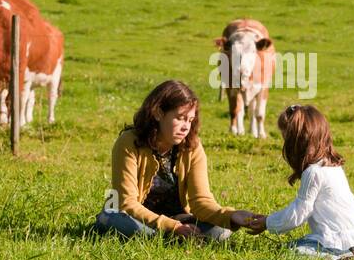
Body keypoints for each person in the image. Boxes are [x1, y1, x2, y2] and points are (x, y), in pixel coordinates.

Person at [95, 79, 261, 241]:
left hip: (177, 217)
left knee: (222, 230)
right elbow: (127, 202)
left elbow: (201, 202)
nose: (186, 127)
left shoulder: (193, 147)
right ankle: (169, 235)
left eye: (190, 120)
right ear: (158, 113)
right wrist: (172, 227)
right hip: (131, 216)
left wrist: (231, 215)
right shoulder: (128, 142)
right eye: (180, 118)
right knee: (123, 224)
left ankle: (168, 236)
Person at [247, 104, 354, 260]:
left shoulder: (314, 172)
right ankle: (350, 256)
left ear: (296, 142)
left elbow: (298, 214)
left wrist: (267, 222)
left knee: (290, 254)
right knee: (293, 246)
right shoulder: (331, 165)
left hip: (335, 240)